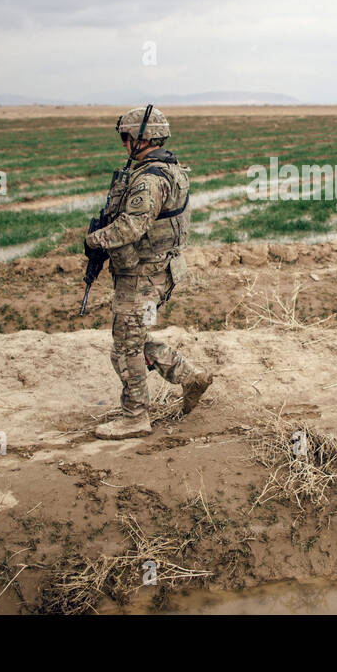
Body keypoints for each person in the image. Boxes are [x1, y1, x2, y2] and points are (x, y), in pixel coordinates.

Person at [85, 106, 213, 439]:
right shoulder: (172, 170)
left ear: (140, 139)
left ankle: (135, 417)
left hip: (144, 277)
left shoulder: (149, 179)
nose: (123, 145)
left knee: (126, 346)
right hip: (160, 273)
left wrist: (93, 239)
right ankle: (190, 375)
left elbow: (130, 227)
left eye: (126, 138)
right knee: (133, 340)